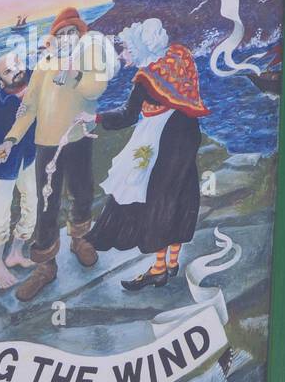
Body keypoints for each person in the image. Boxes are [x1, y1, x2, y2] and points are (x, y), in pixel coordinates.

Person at [0, 7, 116, 302]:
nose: (67, 38)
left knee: (83, 193)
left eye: (73, 33)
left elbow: (94, 91)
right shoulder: (44, 66)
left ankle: (79, 238)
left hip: (79, 139)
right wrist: (10, 140)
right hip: (47, 145)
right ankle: (45, 265)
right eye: (62, 33)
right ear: (54, 37)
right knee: (47, 205)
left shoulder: (89, 60)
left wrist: (72, 70)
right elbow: (29, 108)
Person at [88, 20, 208, 290]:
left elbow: (127, 115)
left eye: (128, 50)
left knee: (159, 201)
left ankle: (158, 269)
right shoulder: (180, 58)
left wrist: (95, 116)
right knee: (183, 195)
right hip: (187, 135)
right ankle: (173, 261)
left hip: (162, 140)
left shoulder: (146, 79)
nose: (124, 55)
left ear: (141, 48)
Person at [0, 52, 37, 289]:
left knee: (31, 206)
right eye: (9, 71)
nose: (17, 70)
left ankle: (16, 253)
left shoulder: (37, 86)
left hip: (28, 159)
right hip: (1, 167)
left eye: (17, 64)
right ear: (0, 82)